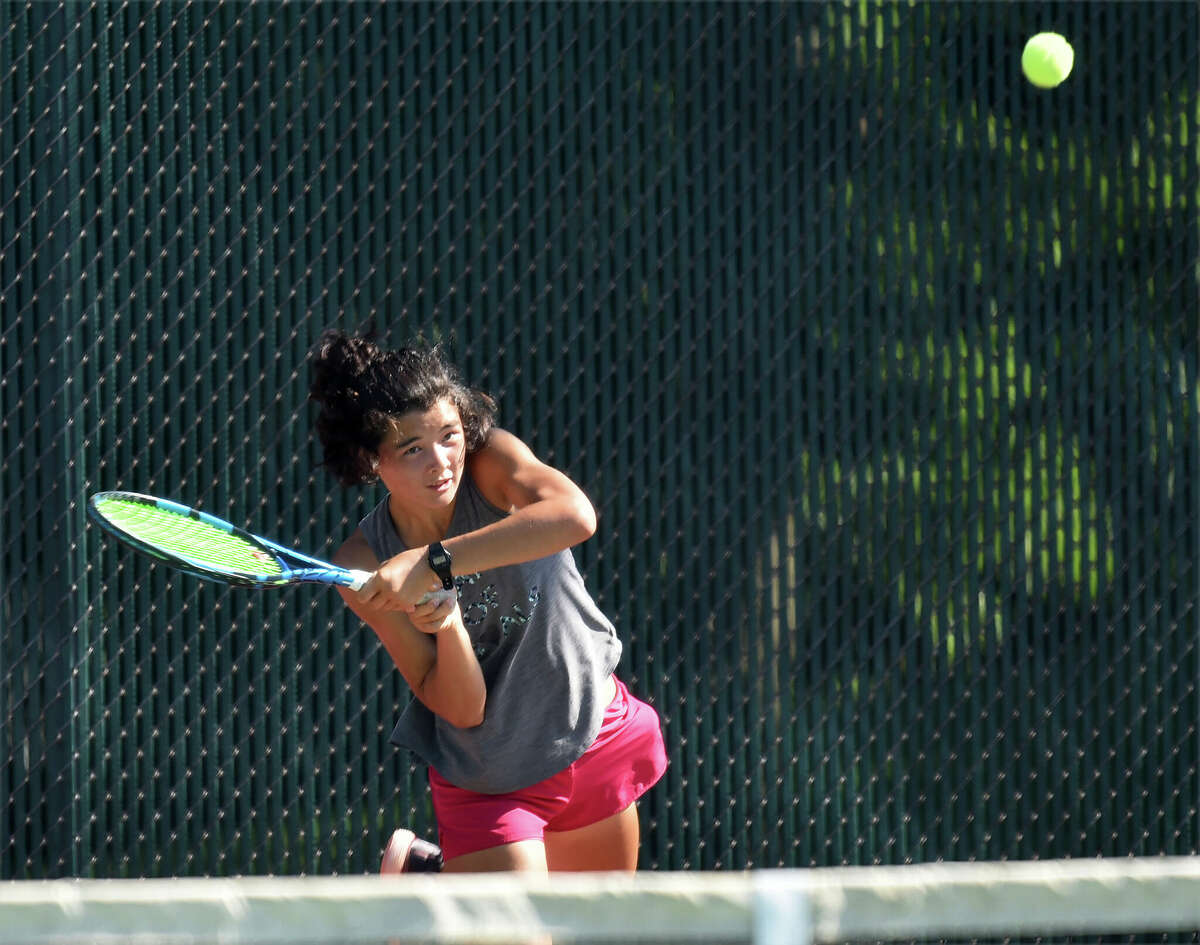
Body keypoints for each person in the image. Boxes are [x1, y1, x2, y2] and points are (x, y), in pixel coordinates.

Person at [308, 328, 668, 873]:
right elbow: (461, 708)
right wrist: (446, 620)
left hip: (591, 730)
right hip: (490, 775)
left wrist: (434, 561)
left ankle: (430, 879)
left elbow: (576, 516)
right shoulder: (362, 566)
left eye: (449, 436)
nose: (440, 462)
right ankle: (438, 886)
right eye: (412, 448)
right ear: (370, 460)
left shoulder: (491, 463)